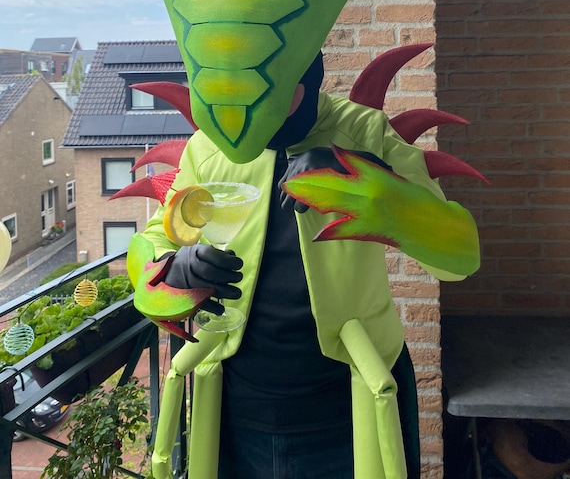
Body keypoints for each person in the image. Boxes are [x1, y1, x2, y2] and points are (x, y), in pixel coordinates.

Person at [139, 51, 459, 479]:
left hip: (355, 394)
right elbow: (159, 237)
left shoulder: (366, 131)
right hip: (235, 401)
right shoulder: (211, 145)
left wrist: (365, 176)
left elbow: (456, 256)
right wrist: (171, 266)